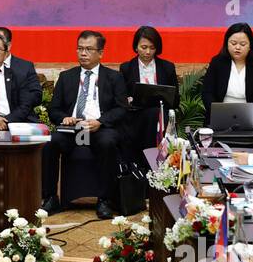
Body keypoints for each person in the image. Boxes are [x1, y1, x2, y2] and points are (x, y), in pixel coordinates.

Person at [40, 30, 128, 220]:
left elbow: (122, 109)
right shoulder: (67, 77)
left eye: (89, 49)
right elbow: (53, 109)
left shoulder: (114, 78)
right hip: (72, 129)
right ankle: (50, 197)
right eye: (80, 48)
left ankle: (104, 200)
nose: (83, 53)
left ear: (101, 53)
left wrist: (100, 122)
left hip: (99, 128)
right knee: (50, 142)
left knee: (108, 143)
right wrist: (65, 118)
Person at [118, 25, 179, 165]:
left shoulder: (167, 67)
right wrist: (128, 99)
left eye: (152, 48)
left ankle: (155, 166)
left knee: (155, 113)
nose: (148, 52)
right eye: (143, 47)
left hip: (160, 116)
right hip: (135, 116)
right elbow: (121, 98)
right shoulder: (126, 68)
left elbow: (175, 100)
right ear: (136, 47)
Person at [200, 23, 253, 130]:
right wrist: (217, 114)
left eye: (243, 44)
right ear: (227, 43)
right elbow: (207, 92)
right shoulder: (217, 62)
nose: (237, 47)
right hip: (219, 119)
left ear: (250, 45)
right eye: (233, 43)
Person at [0, 25, 42, 118]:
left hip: (19, 120)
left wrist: (8, 119)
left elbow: (36, 95)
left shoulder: (25, 67)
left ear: (8, 46)